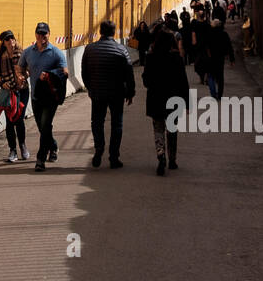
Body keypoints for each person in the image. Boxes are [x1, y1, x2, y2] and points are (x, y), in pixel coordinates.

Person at [81, 20, 136, 168]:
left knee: (97, 122)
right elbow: (129, 73)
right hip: (117, 93)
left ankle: (99, 147)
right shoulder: (121, 50)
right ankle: (113, 157)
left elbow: (84, 72)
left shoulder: (90, 49)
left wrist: (90, 88)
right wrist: (130, 92)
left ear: (100, 32)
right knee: (116, 124)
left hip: (97, 92)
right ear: (114, 32)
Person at [21, 22, 67, 172]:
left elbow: (65, 72)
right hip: (36, 97)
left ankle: (40, 159)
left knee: (45, 125)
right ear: (36, 35)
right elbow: (20, 67)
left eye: (45, 33)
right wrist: (21, 76)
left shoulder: (56, 53)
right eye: (39, 33)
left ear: (49, 34)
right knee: (42, 127)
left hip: (50, 97)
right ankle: (53, 146)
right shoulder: (28, 52)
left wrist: (50, 74)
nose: (42, 36)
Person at [143, 30, 188, 175]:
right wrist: (187, 102)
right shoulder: (176, 58)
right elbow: (183, 81)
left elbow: (146, 81)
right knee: (172, 129)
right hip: (173, 99)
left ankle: (161, 155)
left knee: (158, 129)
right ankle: (172, 160)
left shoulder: (150, 58)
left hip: (156, 98)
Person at [0, 29, 30, 162]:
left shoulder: (22, 54)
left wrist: (23, 76)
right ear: (3, 43)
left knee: (19, 119)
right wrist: (3, 82)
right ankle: (12, 150)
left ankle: (22, 145)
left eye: (12, 39)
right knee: (10, 121)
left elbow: (28, 70)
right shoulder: (1, 57)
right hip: (9, 92)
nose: (11, 41)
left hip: (22, 90)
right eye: (7, 39)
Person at [201, 18, 235, 99]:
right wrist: (232, 59)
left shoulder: (208, 33)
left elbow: (204, 46)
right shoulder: (224, 34)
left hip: (210, 57)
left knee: (210, 76)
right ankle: (219, 95)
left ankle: (213, 93)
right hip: (220, 58)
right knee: (220, 77)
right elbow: (229, 47)